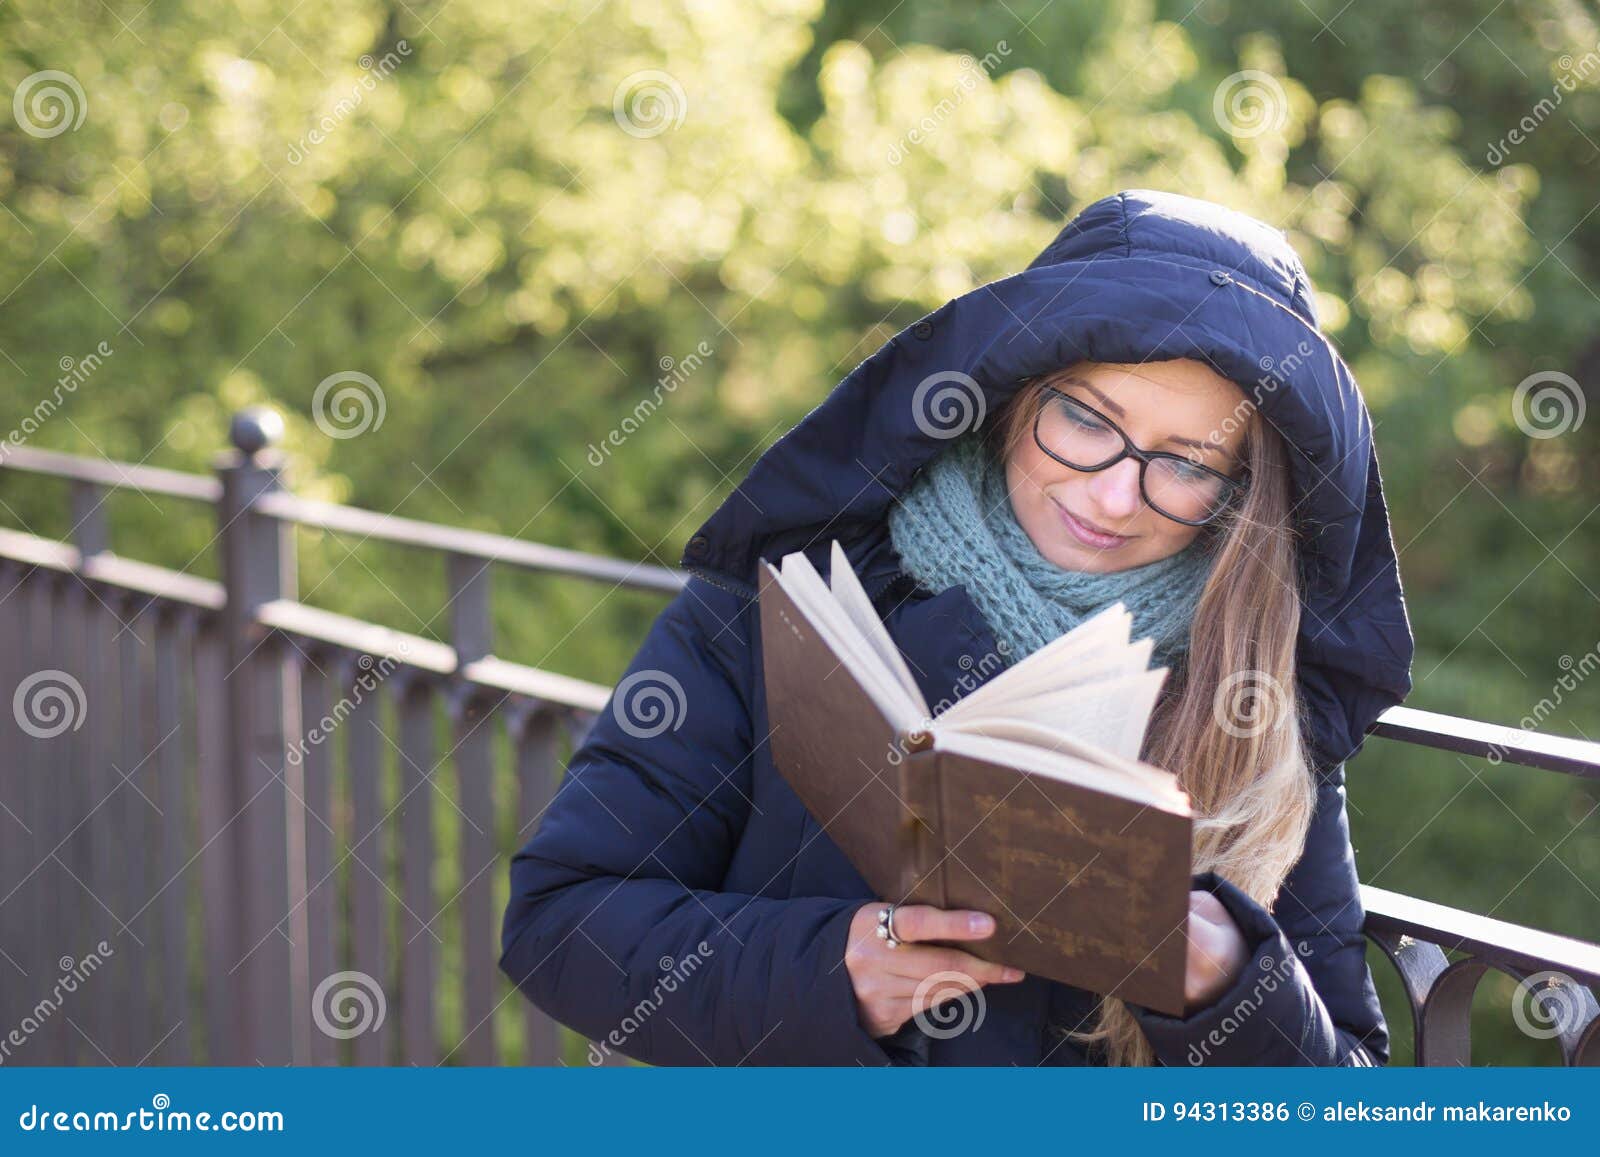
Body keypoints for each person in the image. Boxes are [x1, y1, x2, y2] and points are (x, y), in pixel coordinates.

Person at [499, 189, 1415, 1066]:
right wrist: (834, 967)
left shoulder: (1253, 696)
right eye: (1089, 419)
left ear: (1238, 497)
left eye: (1185, 462)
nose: (1114, 493)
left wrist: (1228, 982)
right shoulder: (789, 594)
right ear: (1016, 394)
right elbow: (562, 921)